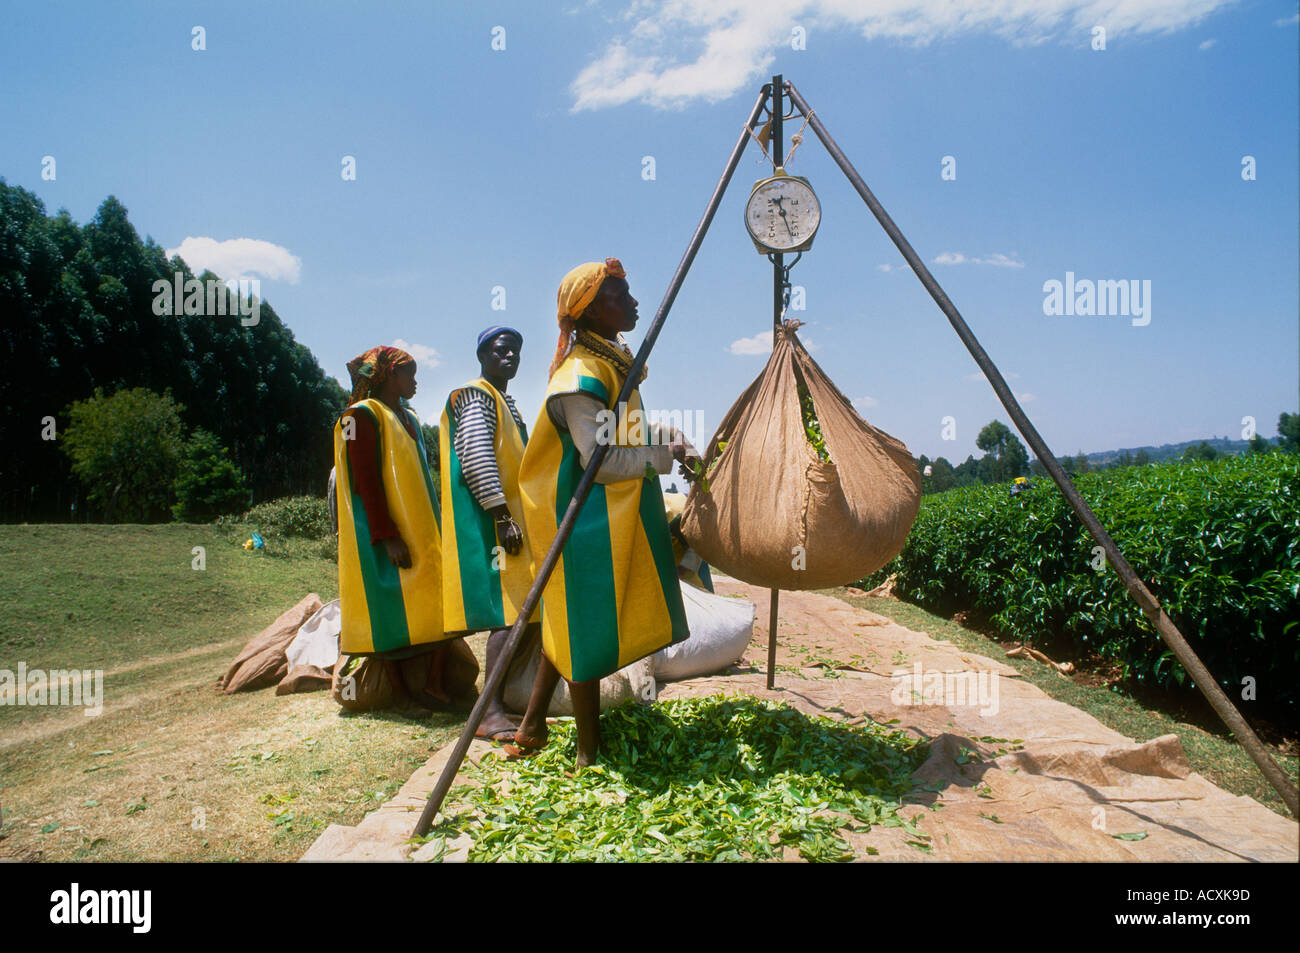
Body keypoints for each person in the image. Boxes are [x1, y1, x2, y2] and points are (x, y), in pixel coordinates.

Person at [512, 258, 697, 766]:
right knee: (585, 621)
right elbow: (604, 460)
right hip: (574, 514)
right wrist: (668, 456)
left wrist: (672, 439)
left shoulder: (611, 366)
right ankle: (587, 752)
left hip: (599, 511)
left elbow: (627, 434)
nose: (634, 303)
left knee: (568, 619)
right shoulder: (579, 380)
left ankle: (531, 727)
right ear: (591, 311)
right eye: (621, 296)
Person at [334, 345, 469, 715]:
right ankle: (402, 695)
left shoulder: (405, 417)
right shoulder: (360, 416)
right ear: (390, 375)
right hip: (386, 536)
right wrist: (386, 535)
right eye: (409, 373)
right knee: (390, 611)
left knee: (442, 605)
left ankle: (434, 685)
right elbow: (365, 481)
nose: (415, 381)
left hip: (422, 533)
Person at [438, 326, 540, 741]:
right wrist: (502, 515)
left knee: (522, 611)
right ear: (482, 355)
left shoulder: (503, 401)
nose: (510, 357)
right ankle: (488, 710)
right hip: (496, 522)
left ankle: (501, 701)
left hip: (509, 521)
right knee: (508, 614)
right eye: (501, 351)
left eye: (516, 351)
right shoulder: (477, 396)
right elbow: (478, 456)